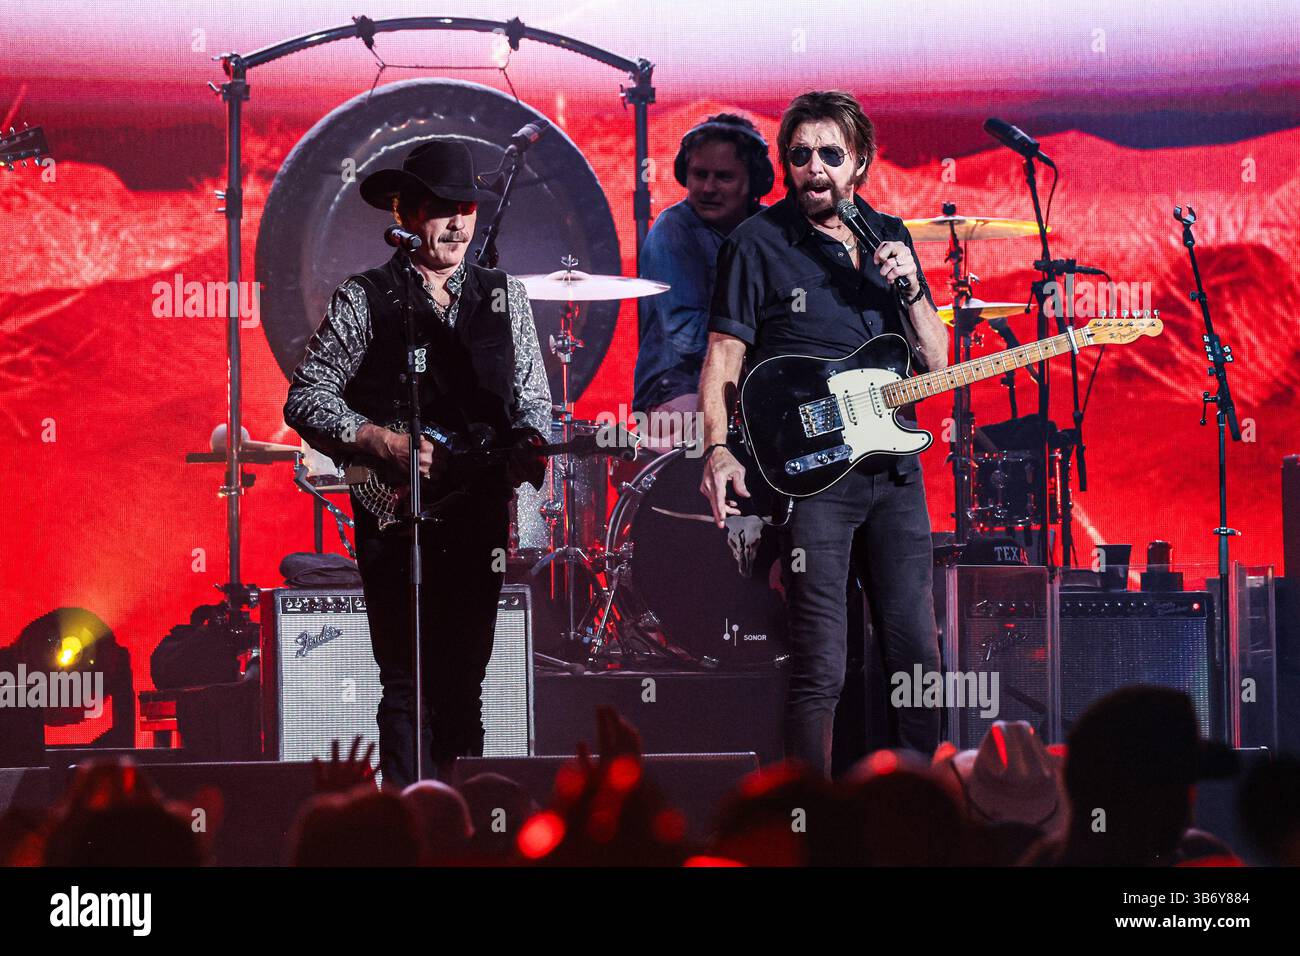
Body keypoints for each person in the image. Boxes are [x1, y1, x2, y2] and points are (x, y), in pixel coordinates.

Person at [284, 138, 551, 788]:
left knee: (464, 684)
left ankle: (457, 826)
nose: (458, 223)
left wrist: (527, 459)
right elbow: (306, 396)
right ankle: (406, 825)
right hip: (396, 520)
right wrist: (377, 440)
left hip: (477, 519)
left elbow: (535, 401)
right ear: (405, 214)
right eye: (440, 209)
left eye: (466, 207)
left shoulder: (504, 296)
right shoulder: (366, 298)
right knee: (406, 682)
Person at [698, 90, 949, 776]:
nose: (814, 168)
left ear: (859, 161)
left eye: (830, 155)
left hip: (893, 474)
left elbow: (938, 361)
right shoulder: (758, 243)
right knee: (822, 664)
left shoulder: (889, 236)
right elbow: (724, 353)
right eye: (800, 155)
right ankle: (807, 821)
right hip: (814, 477)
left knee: (917, 658)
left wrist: (912, 290)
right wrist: (717, 448)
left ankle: (923, 814)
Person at [631, 113, 774, 449]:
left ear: (753, 181)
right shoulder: (672, 231)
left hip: (753, 381)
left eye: (723, 177)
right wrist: (772, 339)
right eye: (699, 175)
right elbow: (685, 335)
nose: (708, 188)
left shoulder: (772, 230)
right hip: (678, 386)